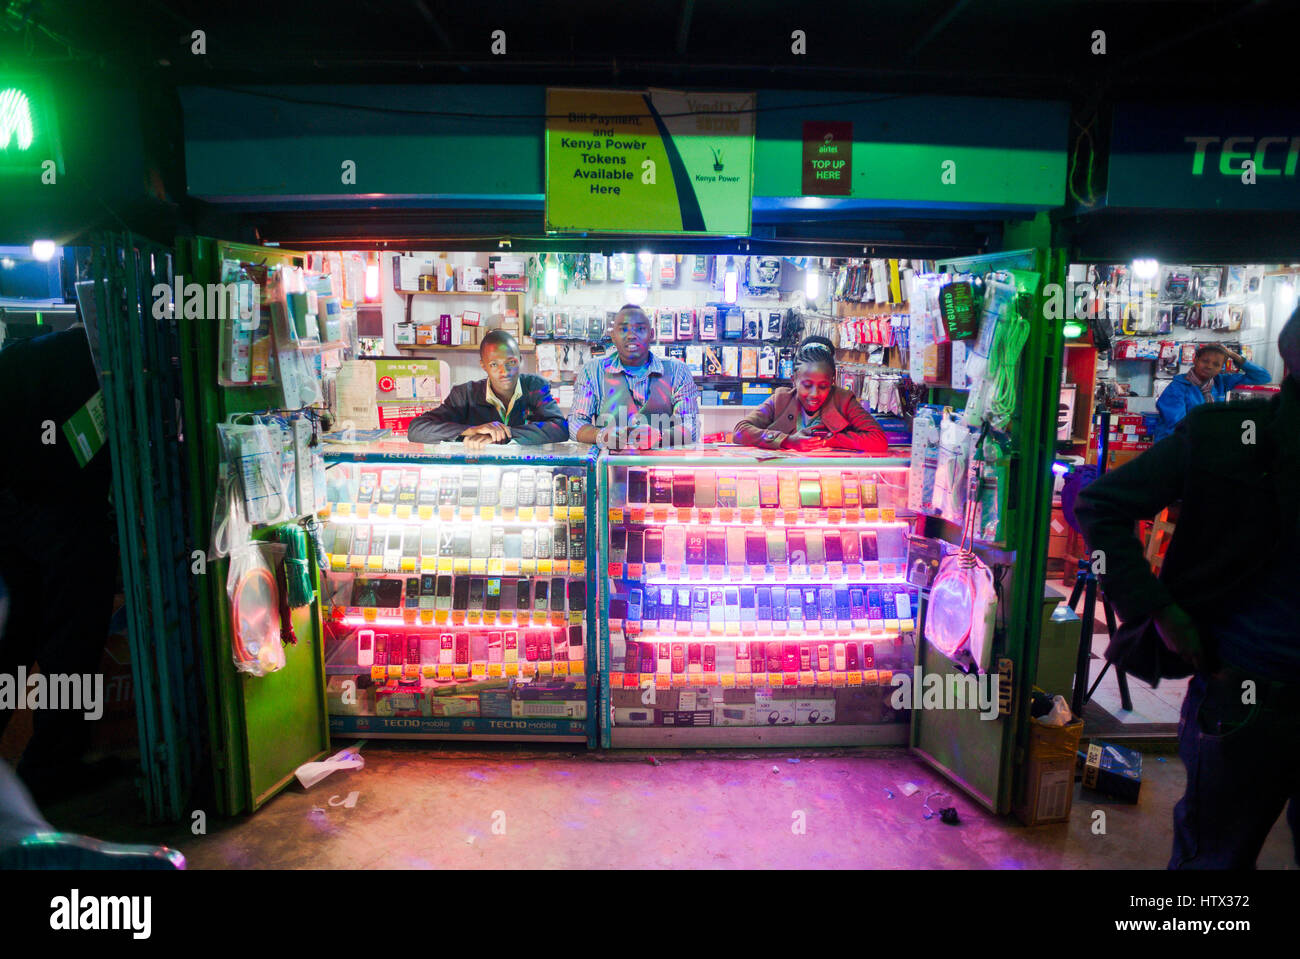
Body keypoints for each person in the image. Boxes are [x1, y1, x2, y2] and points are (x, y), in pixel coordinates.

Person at [1075, 306, 1300, 870]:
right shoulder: (1226, 438)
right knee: (1213, 868)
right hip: (1248, 692)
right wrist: (1156, 611)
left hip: (1245, 690)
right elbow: (1099, 505)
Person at [0, 325, 118, 800]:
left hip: (14, 508)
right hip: (56, 509)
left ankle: (47, 762)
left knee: (16, 635)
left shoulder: (36, 352)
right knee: (72, 638)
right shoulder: (97, 366)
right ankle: (50, 767)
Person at [406, 329, 568, 448]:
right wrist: (471, 430)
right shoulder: (465, 395)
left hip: (526, 473)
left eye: (510, 362)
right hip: (478, 475)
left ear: (520, 359)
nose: (504, 372)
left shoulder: (534, 387)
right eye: (494, 365)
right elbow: (417, 429)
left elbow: (559, 428)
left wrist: (503, 435)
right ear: (483, 366)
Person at [568, 305, 701, 449]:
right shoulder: (592, 371)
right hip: (610, 468)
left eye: (640, 329)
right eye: (623, 329)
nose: (631, 335)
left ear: (651, 334)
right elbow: (576, 422)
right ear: (613, 336)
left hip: (661, 466)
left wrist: (660, 436)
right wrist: (602, 435)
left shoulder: (677, 370)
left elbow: (691, 425)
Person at [734, 337, 889, 452]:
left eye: (823, 386)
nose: (814, 394)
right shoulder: (780, 398)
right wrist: (787, 441)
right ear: (794, 380)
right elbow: (740, 431)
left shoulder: (844, 400)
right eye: (807, 385)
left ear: (833, 381)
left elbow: (878, 440)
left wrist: (829, 440)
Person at [1152, 343, 1270, 441]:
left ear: (1221, 367)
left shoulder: (1221, 382)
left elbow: (1262, 377)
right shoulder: (1178, 387)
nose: (1209, 366)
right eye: (1205, 361)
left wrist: (1233, 355)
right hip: (1175, 449)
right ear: (1195, 360)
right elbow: (1179, 426)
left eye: (1216, 364)